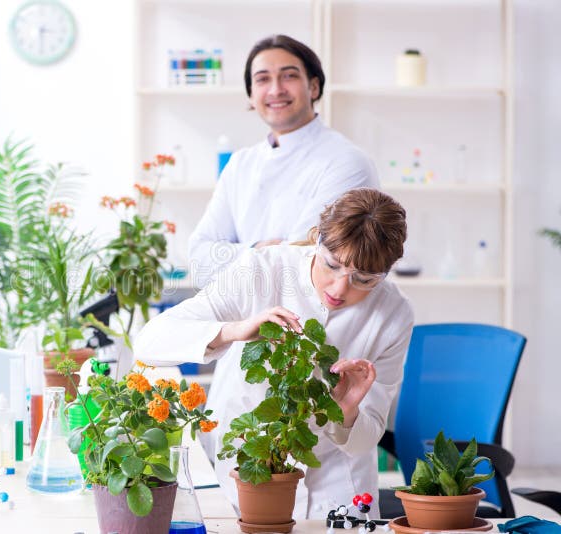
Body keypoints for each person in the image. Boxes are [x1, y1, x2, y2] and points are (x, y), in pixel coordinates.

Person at [136, 188, 414, 519]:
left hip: (336, 491)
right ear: (316, 239)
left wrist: (347, 411)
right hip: (246, 477)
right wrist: (234, 330)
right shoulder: (262, 271)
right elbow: (149, 342)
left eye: (364, 280)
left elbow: (365, 441)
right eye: (332, 265)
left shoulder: (393, 314)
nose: (339, 288)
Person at [189, 34, 379, 288]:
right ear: (251, 95)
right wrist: (261, 248)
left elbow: (301, 267)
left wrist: (235, 253)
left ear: (313, 87)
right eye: (263, 79)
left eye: (289, 76)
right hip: (241, 321)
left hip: (314, 324)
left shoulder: (347, 162)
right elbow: (199, 261)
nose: (276, 89)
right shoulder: (239, 164)